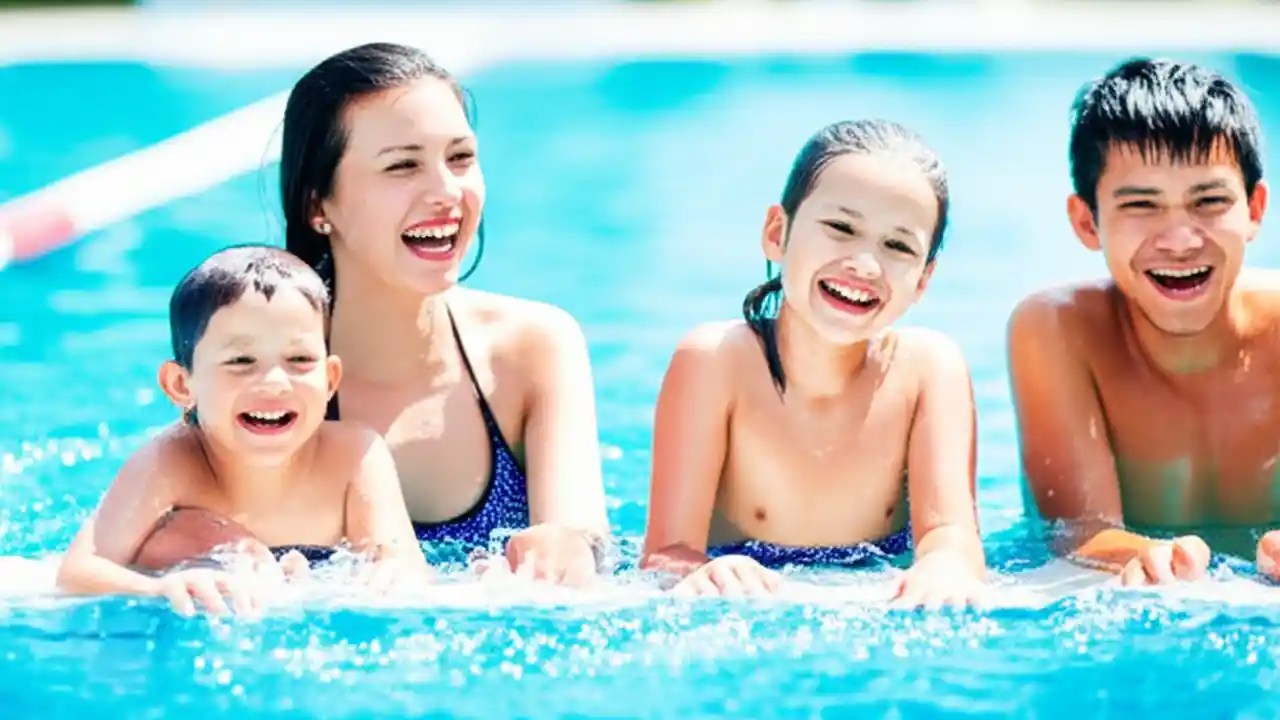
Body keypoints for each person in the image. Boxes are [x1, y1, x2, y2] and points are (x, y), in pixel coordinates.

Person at [273, 41, 608, 585]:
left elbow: (583, 542)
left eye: (461, 158)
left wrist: (565, 547)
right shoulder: (259, 370)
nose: (447, 192)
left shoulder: (531, 349)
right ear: (318, 205)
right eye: (403, 165)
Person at [640, 119, 987, 607]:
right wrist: (708, 572)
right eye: (842, 228)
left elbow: (952, 535)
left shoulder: (928, 370)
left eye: (898, 246)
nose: (865, 265)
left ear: (924, 279)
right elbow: (666, 556)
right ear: (776, 233)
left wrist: (945, 564)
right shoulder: (716, 363)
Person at [1007, 57, 1278, 586]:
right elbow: (1077, 534)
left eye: (1209, 202)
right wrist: (1149, 557)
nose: (1179, 240)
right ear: (1087, 222)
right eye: (1141, 205)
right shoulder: (1058, 331)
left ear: (1254, 209)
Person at [56, 245, 429, 617]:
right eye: (241, 361)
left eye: (299, 360)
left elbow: (402, 566)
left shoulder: (355, 456)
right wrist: (159, 587)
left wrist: (389, 575)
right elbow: (78, 573)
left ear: (330, 378)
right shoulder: (169, 463)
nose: (274, 383)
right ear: (182, 386)